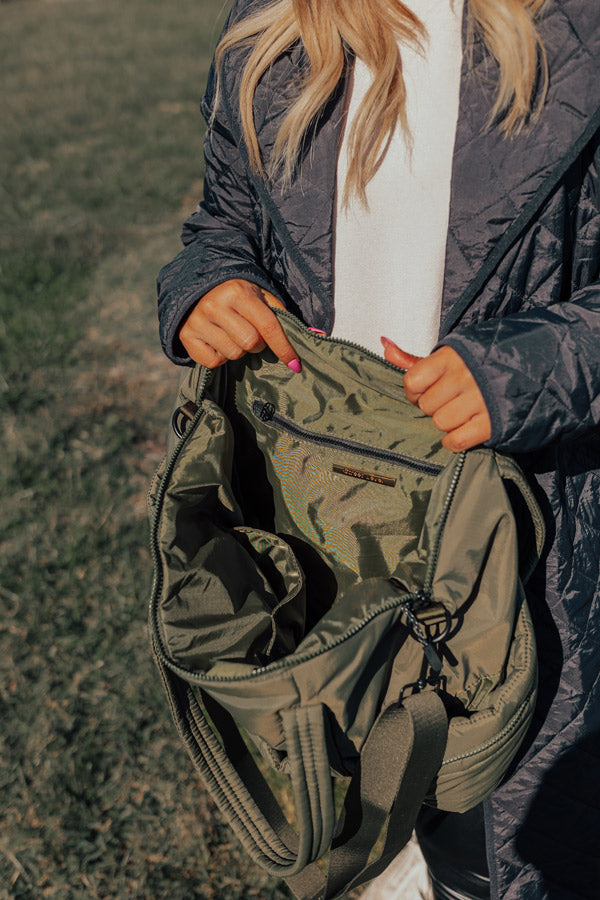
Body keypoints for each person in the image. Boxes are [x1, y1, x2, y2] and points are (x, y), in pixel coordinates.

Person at [156, 0, 600, 897]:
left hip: (527, 550)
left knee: (509, 847)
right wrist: (207, 288)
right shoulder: (275, 28)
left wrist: (524, 370)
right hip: (335, 545)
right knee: (364, 829)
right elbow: (222, 222)